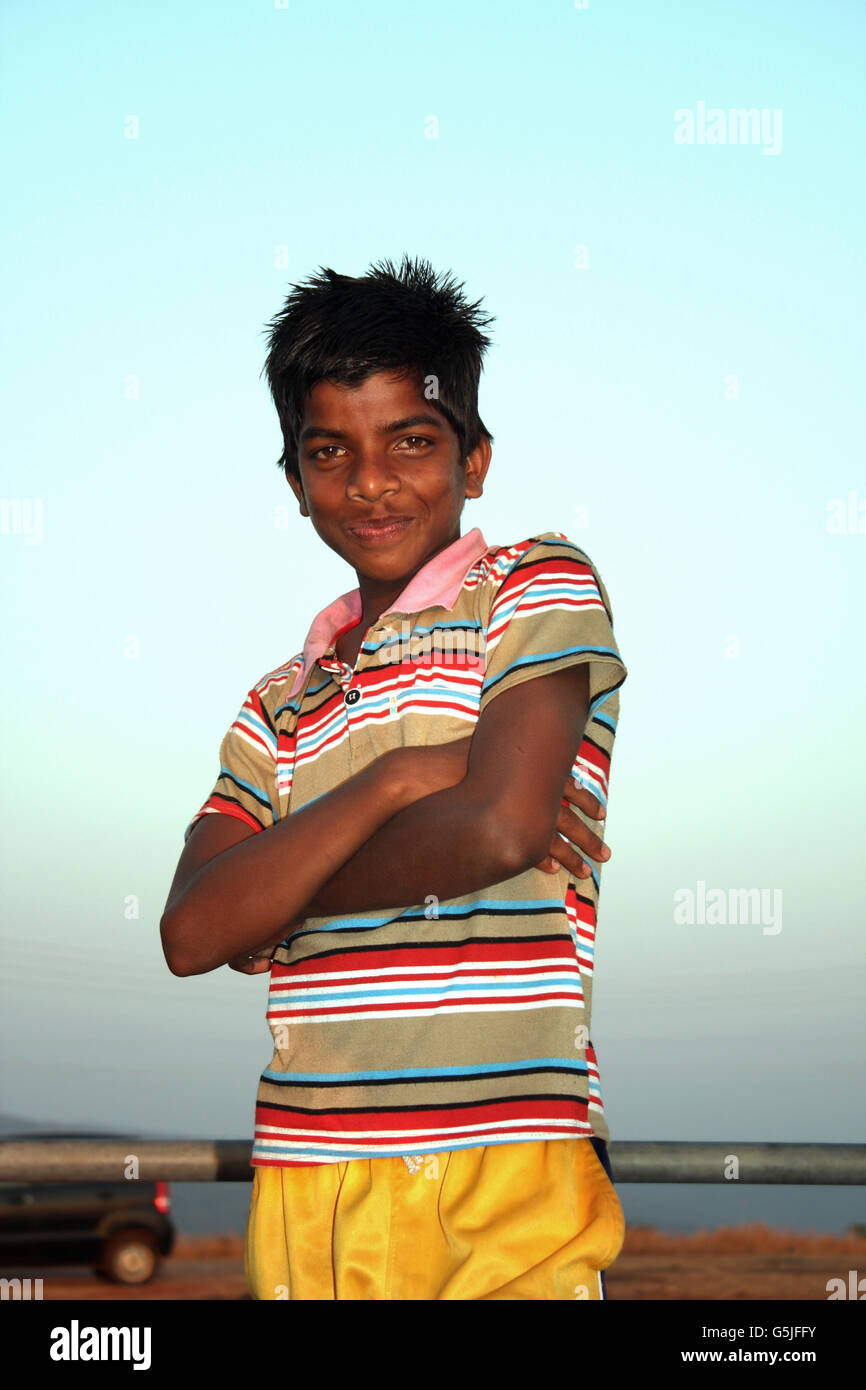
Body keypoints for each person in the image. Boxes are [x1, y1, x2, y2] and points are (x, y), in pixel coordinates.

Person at [160, 255, 629, 1301]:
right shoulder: (276, 703)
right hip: (310, 1167)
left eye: (411, 441)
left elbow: (502, 828)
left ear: (475, 458)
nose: (371, 482)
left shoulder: (532, 586)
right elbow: (190, 934)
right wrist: (398, 781)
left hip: (508, 1153)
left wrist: (269, 903)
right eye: (331, 452)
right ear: (293, 481)